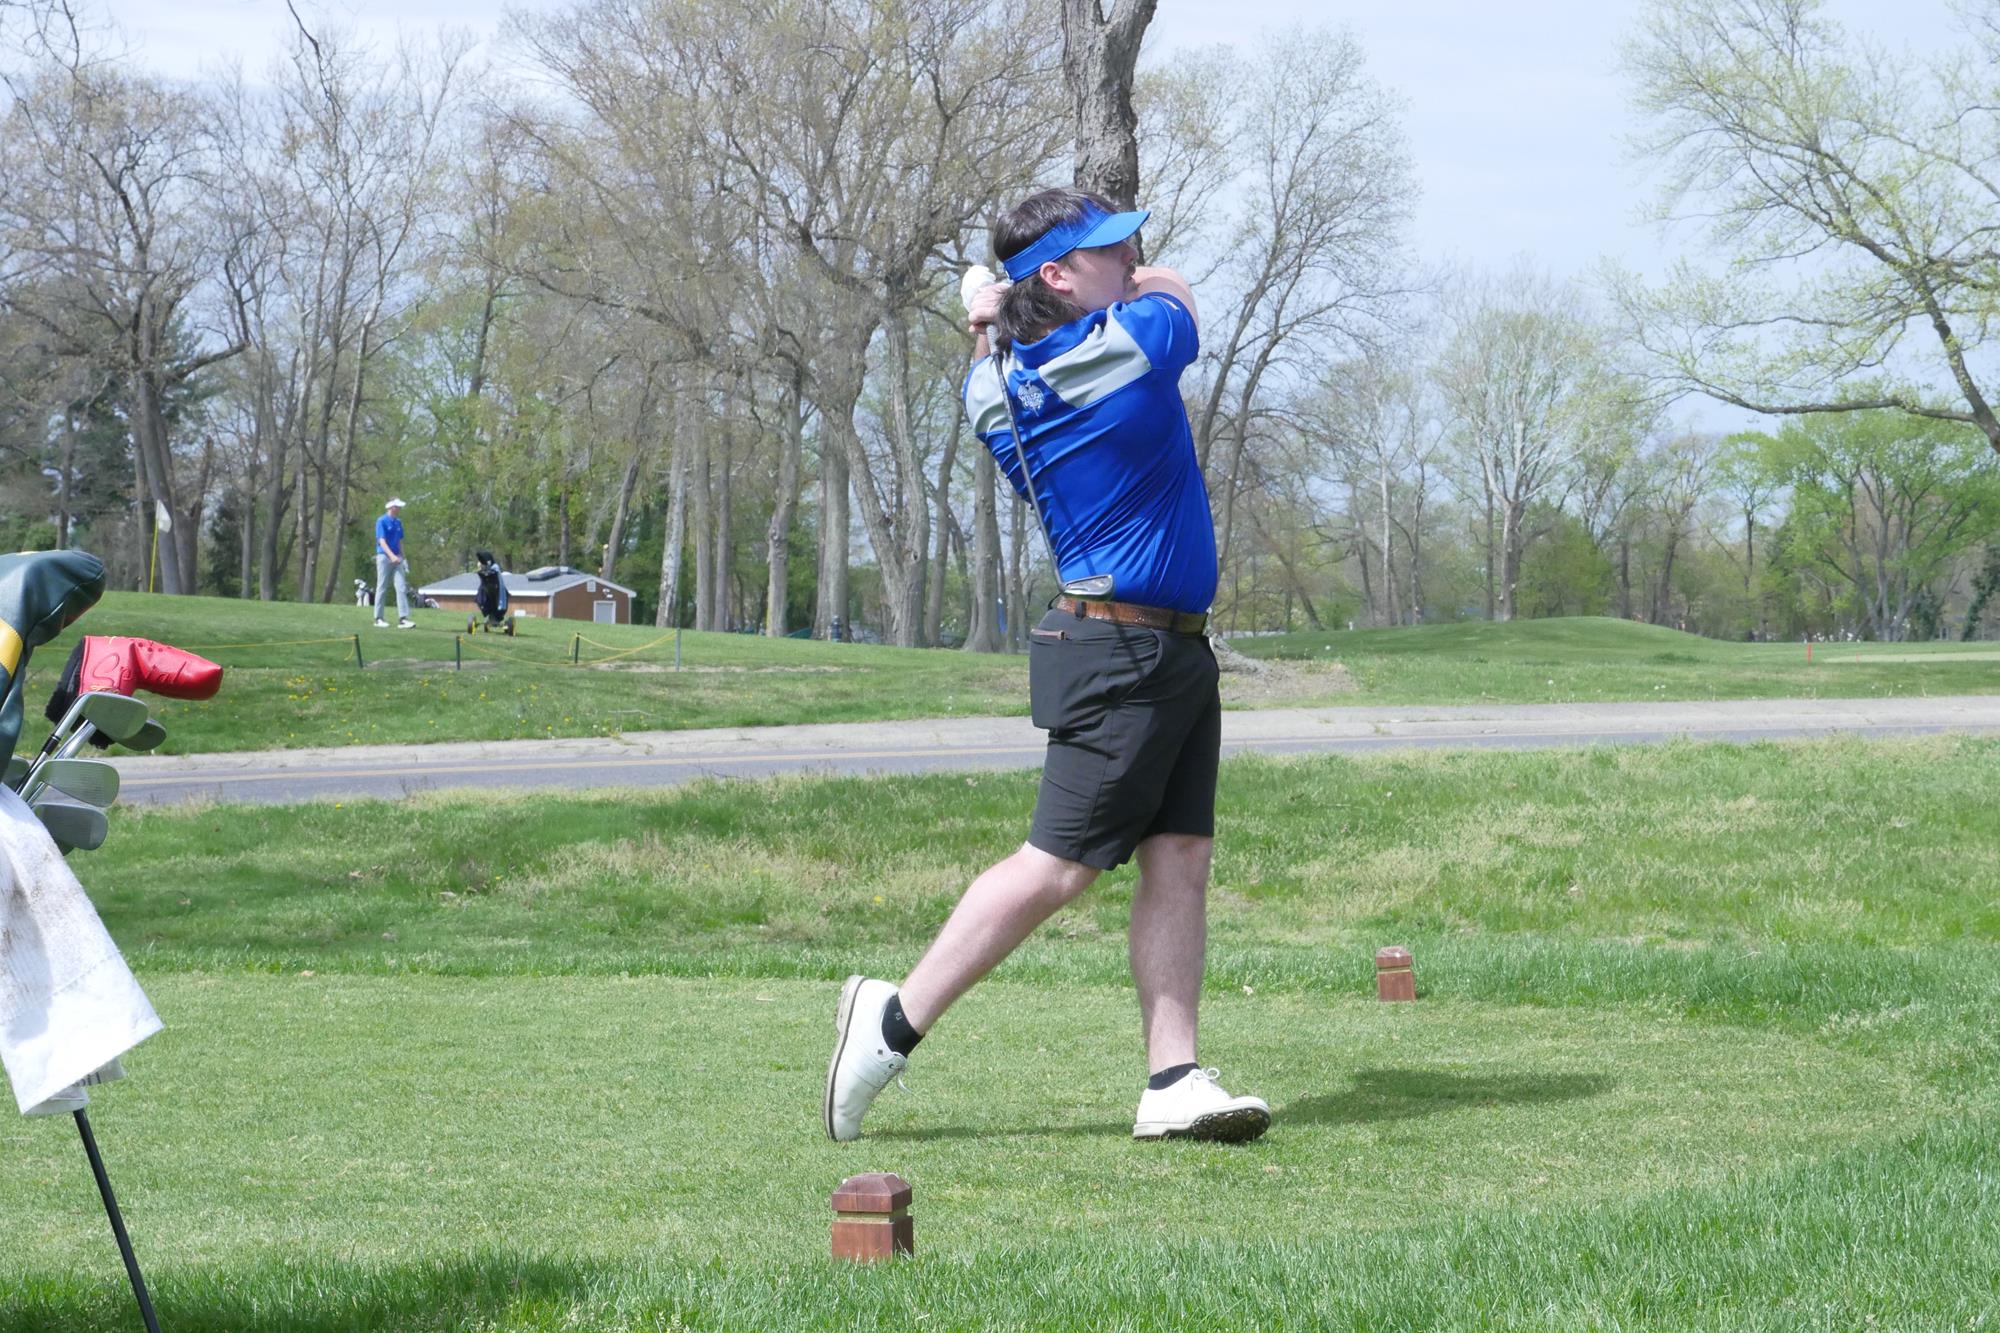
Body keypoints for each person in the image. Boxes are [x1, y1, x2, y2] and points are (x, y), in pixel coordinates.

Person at [823, 188, 1269, 1145]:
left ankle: (1173, 1078)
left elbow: (989, 372)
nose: (1133, 256)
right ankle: (890, 1025)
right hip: (1122, 649)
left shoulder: (994, 386)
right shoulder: (1126, 345)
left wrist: (988, 315)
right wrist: (1022, 297)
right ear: (1060, 277)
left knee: (1179, 856)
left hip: (1165, 646)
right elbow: (1179, 295)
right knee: (1058, 866)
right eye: (1108, 250)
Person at [373, 498, 414, 629]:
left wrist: (403, 558)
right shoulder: (381, 521)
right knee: (382, 587)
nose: (399, 509)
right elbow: (382, 542)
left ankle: (403, 619)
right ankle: (378, 618)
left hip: (397, 559)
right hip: (384, 557)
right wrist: (391, 556)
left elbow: (399, 542)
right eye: (397, 507)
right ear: (391, 507)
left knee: (401, 587)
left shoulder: (398, 522)